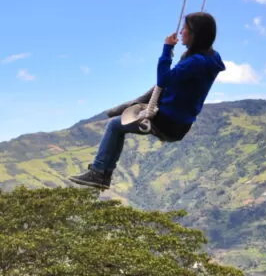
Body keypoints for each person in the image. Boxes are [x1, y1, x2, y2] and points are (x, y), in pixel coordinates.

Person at [69, 12, 225, 190]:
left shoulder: (196, 62)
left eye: (186, 29)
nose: (181, 32)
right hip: (181, 124)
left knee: (114, 126)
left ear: (195, 35)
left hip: (167, 121)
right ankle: (103, 175)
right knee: (119, 125)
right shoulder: (212, 57)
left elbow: (163, 80)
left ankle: (99, 172)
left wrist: (167, 49)